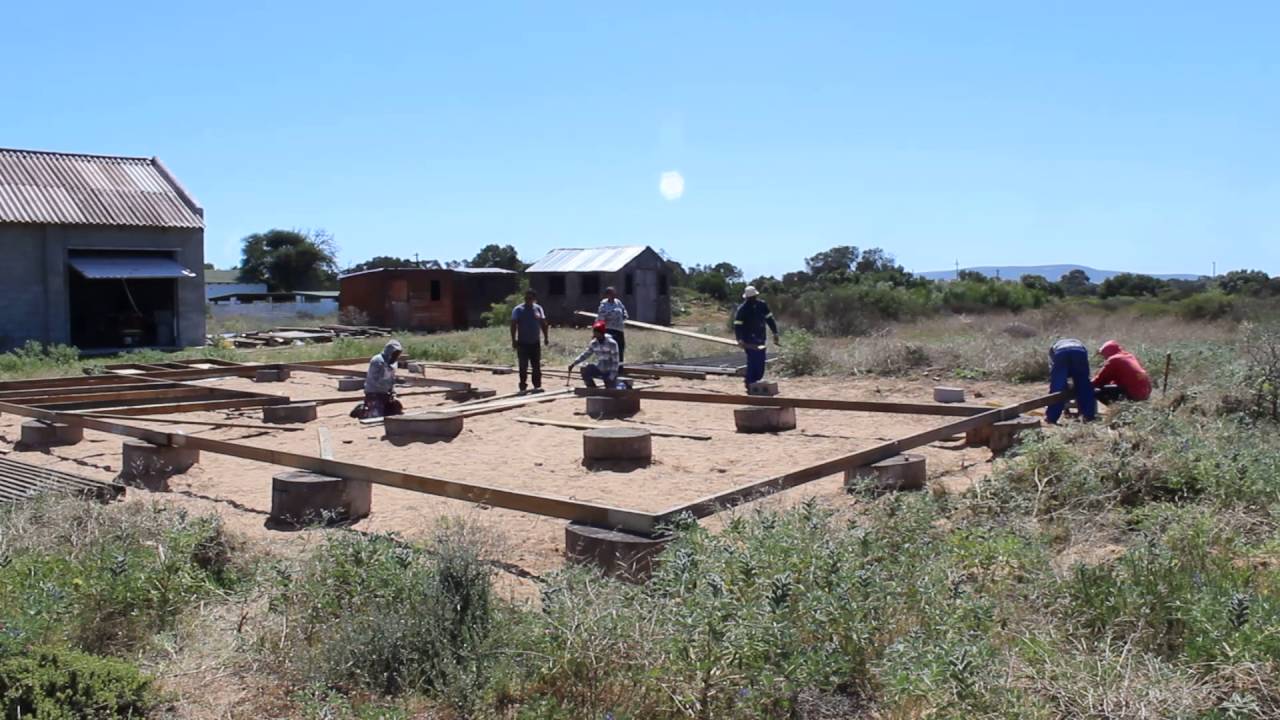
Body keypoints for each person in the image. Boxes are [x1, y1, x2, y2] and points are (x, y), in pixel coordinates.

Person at [733, 286, 781, 391]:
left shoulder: (762, 305)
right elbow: (737, 325)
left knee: (760, 360)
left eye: (753, 297)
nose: (752, 299)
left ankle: (756, 382)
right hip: (748, 340)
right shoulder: (743, 309)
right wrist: (739, 339)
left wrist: (775, 332)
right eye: (751, 298)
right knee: (753, 360)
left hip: (760, 337)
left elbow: (770, 319)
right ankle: (750, 383)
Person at [1046, 337, 1097, 424]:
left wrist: (1062, 381)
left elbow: (1053, 367)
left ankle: (1051, 418)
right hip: (1079, 352)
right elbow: (1084, 366)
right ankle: (1088, 416)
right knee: (1084, 385)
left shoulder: (1054, 347)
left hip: (1061, 352)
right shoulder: (1079, 344)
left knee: (1057, 388)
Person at [510, 289, 549, 393]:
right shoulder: (518, 310)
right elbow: (513, 325)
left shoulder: (538, 309)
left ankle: (537, 386)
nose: (528, 300)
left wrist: (546, 337)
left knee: (536, 366)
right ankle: (523, 387)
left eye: (530, 298)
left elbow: (543, 323)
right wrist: (513, 340)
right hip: (522, 343)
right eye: (526, 298)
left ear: (534, 299)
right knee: (523, 366)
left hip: (535, 342)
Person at [1092, 340, 1152, 404]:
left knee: (1095, 391)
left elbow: (1100, 380)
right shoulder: (1129, 356)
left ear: (1108, 352)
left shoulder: (1114, 360)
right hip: (1145, 394)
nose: (1103, 356)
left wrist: (1086, 384)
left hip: (1133, 395)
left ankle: (1117, 408)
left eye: (1103, 353)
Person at [357, 339, 404, 419]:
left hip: (386, 393)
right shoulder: (377, 361)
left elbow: (391, 378)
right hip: (374, 393)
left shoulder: (393, 363)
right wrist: (386, 385)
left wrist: (392, 390)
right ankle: (362, 411)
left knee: (396, 411)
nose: (396, 356)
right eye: (395, 353)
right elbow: (375, 380)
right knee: (376, 416)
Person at [569, 320, 621, 388]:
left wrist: (612, 376)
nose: (595, 334)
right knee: (585, 369)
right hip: (600, 368)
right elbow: (585, 354)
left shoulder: (612, 343)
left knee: (610, 390)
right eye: (594, 332)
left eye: (597, 332)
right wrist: (574, 363)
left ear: (601, 333)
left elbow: (615, 362)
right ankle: (592, 388)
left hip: (610, 371)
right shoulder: (594, 343)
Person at [596, 286, 629, 364]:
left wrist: (624, 315)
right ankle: (609, 366)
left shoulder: (618, 302)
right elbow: (601, 317)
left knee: (620, 348)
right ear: (607, 295)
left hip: (619, 329)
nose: (613, 295)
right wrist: (610, 315)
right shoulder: (604, 304)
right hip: (609, 329)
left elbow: (624, 311)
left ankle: (620, 366)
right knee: (610, 348)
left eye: (614, 293)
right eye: (611, 294)